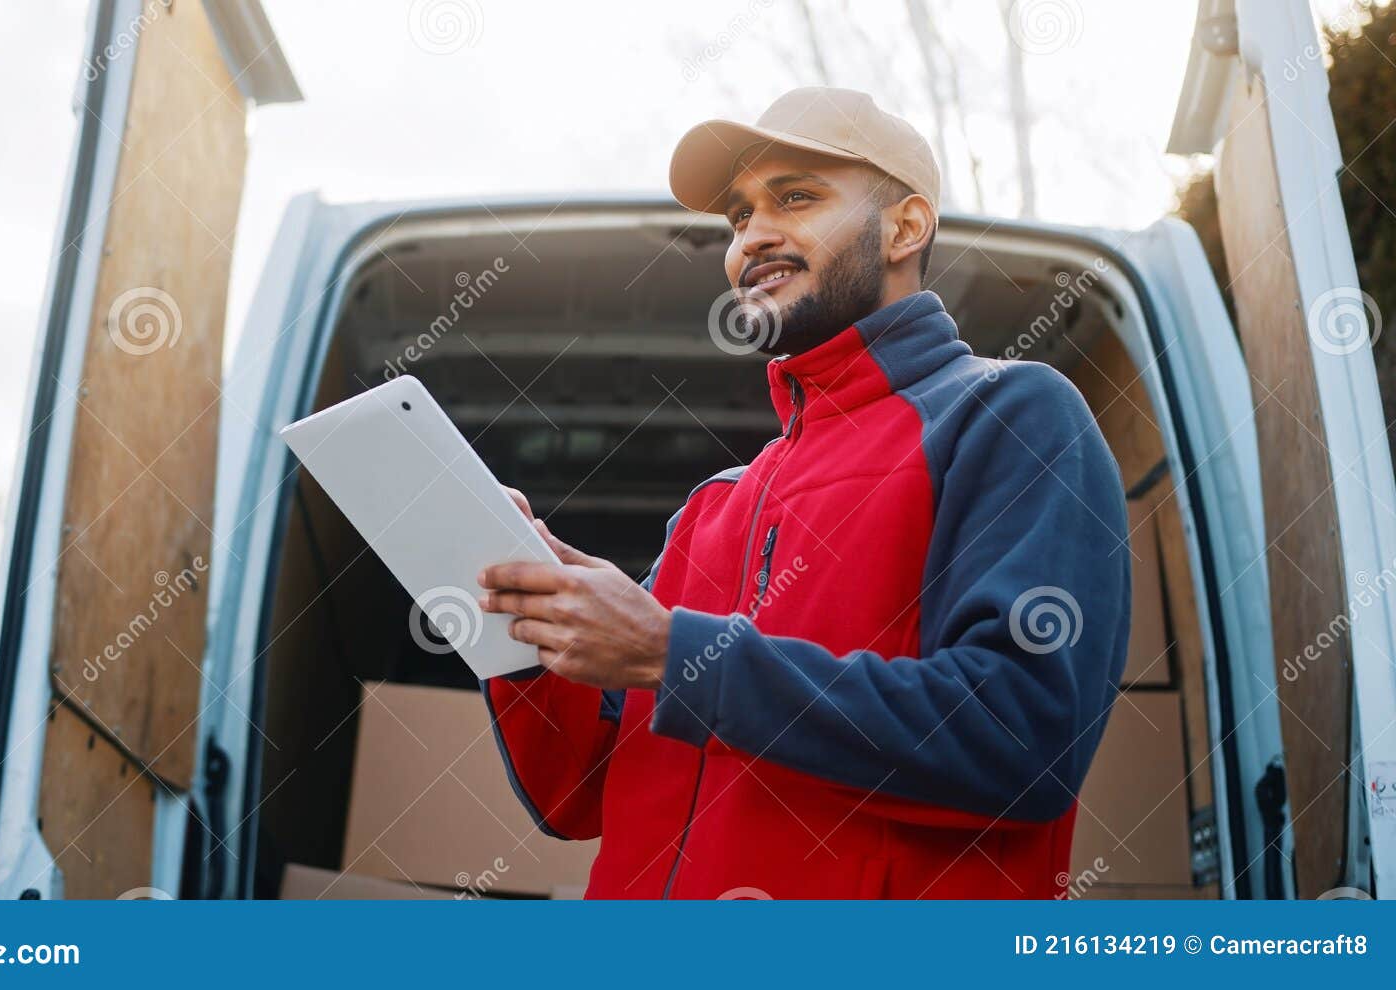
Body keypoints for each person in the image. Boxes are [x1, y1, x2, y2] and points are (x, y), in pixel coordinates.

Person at [476, 87, 1130, 899]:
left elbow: (1020, 743)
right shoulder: (713, 506)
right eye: (739, 216)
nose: (754, 236)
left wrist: (674, 654)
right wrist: (524, 628)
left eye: (796, 196)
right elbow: (577, 799)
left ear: (906, 226)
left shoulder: (1012, 415)